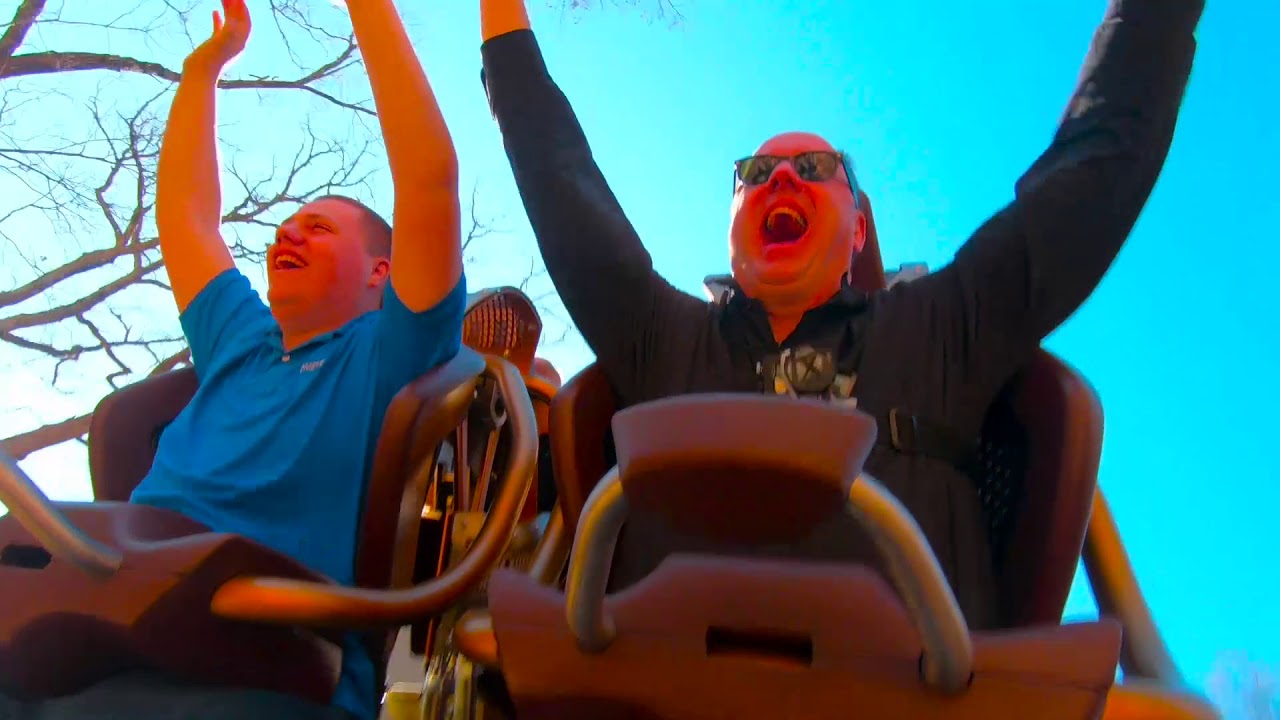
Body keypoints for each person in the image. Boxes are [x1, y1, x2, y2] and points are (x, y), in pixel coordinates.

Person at [478, 0, 1202, 630]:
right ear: (732, 233)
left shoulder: (947, 329)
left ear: (858, 229)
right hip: (659, 684)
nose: (782, 177)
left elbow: (1099, 165)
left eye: (814, 169)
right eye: (755, 174)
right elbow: (557, 175)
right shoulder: (665, 340)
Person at [0, 0, 465, 718]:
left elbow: (428, 177)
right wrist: (203, 67)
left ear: (382, 272)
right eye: (286, 226)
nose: (291, 233)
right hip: (102, 626)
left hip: (256, 665)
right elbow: (188, 217)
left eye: (318, 227)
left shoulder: (389, 353)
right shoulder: (240, 343)